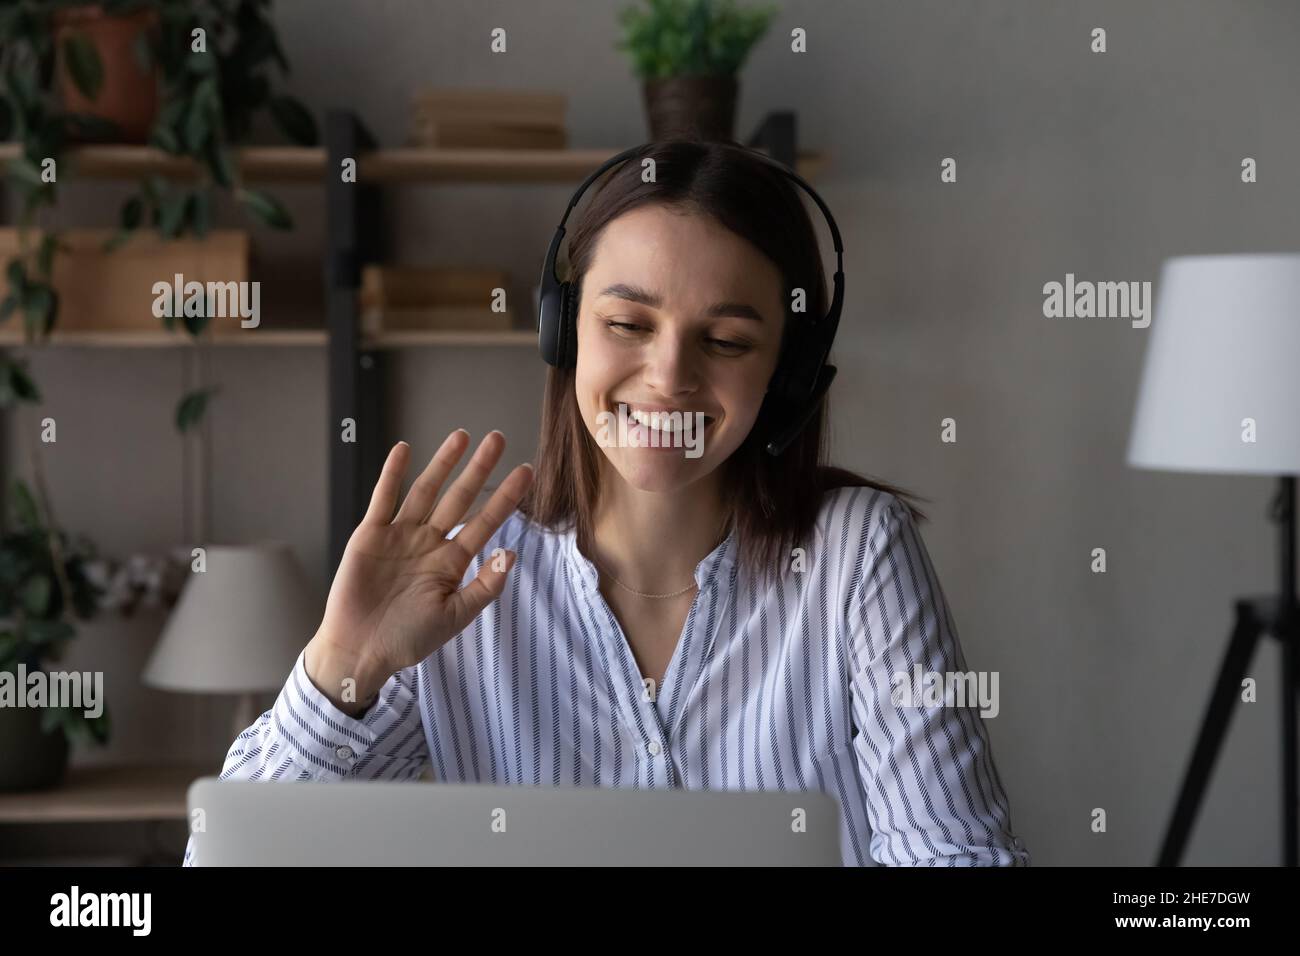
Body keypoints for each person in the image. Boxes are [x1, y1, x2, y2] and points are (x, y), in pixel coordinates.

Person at [183, 140, 1028, 866]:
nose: (669, 378)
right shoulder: (458, 579)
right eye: (629, 324)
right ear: (564, 332)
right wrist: (344, 666)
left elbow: (955, 855)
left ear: (790, 374)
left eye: (727, 341)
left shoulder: (856, 559)